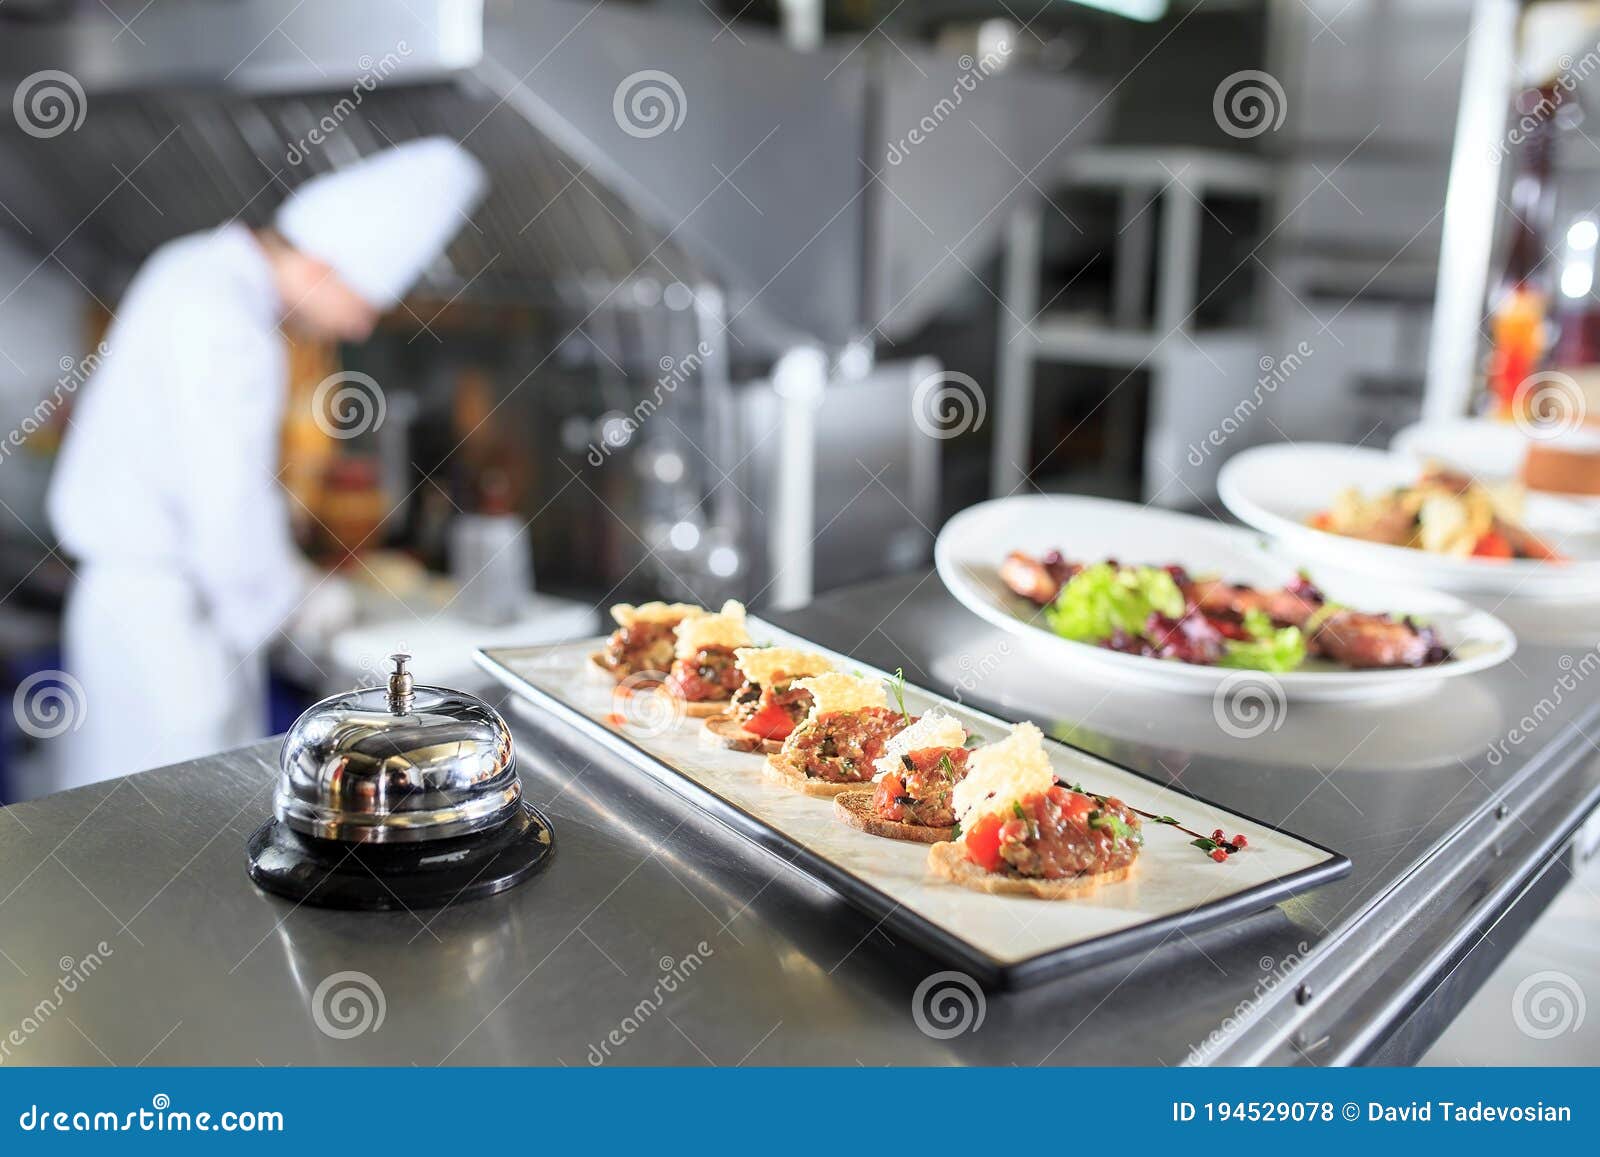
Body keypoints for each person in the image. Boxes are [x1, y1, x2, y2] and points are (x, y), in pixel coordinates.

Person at [46, 137, 487, 789]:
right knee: (182, 842)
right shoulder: (235, 326)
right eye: (364, 302)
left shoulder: (193, 263)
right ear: (323, 265)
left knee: (118, 836)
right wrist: (310, 600)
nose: (361, 327)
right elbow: (229, 519)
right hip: (172, 635)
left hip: (129, 609)